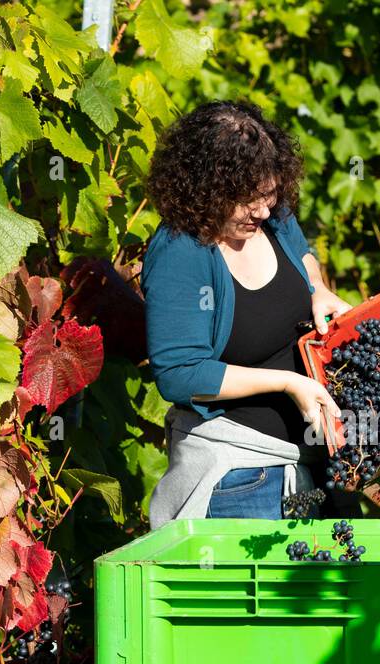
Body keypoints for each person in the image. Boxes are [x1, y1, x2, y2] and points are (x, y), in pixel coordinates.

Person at [141, 100, 354, 528]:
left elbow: (301, 250)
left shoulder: (270, 217)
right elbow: (179, 374)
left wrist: (318, 289)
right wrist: (287, 382)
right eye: (249, 201)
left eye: (270, 196)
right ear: (207, 190)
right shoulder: (182, 252)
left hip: (321, 463)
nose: (263, 211)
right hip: (242, 475)